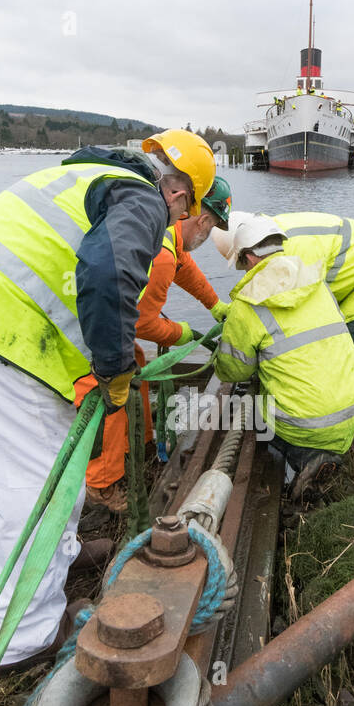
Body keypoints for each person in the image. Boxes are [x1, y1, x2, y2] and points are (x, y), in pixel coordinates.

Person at [0, 129, 216, 671]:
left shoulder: (86, 177)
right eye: (188, 212)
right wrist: (116, 368)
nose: (177, 224)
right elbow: (107, 272)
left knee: (54, 468)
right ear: (181, 195)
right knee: (30, 489)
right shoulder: (142, 197)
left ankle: (59, 557)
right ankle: (23, 641)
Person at [77, 175, 233, 512]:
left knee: (137, 376)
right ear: (204, 220)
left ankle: (139, 445)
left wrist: (214, 305)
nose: (207, 237)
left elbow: (185, 268)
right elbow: (142, 323)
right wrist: (184, 334)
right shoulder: (163, 252)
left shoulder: (169, 236)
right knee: (109, 396)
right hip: (99, 325)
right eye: (212, 228)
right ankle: (101, 486)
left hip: (103, 313)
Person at [213, 218, 354, 498]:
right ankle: (331, 452)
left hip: (312, 421)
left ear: (251, 257)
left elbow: (233, 372)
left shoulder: (246, 306)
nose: (244, 273)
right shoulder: (317, 282)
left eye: (242, 265)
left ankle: (306, 459)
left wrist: (231, 340)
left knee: (256, 406)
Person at [213, 210, 354, 358]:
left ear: (247, 250)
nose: (247, 270)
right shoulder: (274, 237)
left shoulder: (291, 251)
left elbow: (295, 307)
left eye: (243, 263)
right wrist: (236, 312)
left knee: (348, 344)